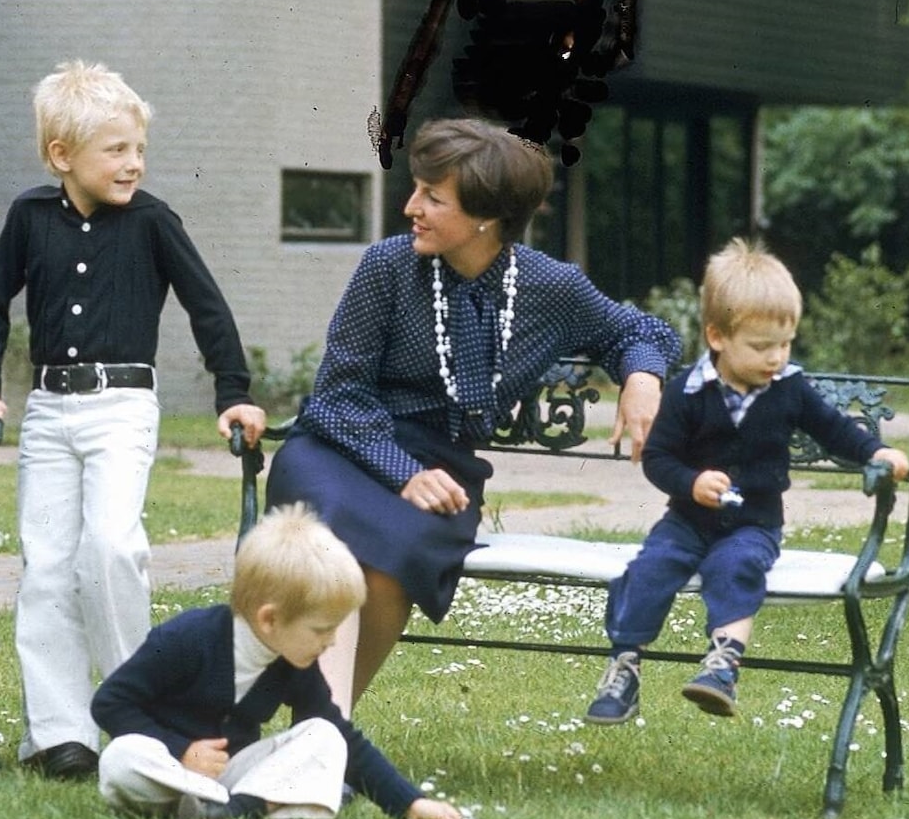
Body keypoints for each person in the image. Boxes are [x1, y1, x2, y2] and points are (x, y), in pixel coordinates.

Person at [265, 118, 679, 707]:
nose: (412, 207)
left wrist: (641, 374)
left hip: (443, 467)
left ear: (487, 216)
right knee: (334, 551)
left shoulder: (548, 286)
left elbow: (641, 330)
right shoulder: (386, 267)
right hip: (341, 449)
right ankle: (321, 742)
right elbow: (337, 395)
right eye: (416, 189)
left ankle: (323, 730)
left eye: (433, 197)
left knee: (392, 565)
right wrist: (402, 473)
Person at [0, 62, 267, 779]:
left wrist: (235, 391)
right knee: (45, 570)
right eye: (116, 149)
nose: (133, 163)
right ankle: (60, 734)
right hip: (48, 412)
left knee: (111, 549)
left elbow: (208, 307)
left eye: (138, 148)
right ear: (62, 155)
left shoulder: (155, 221)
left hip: (122, 408)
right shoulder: (29, 217)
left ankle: (137, 713)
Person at [585, 237, 909, 726]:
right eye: (761, 346)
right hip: (687, 521)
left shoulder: (790, 389)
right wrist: (690, 482)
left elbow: (835, 428)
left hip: (752, 524)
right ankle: (624, 666)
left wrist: (876, 450)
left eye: (785, 344)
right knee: (651, 568)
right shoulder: (685, 394)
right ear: (717, 337)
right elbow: (658, 458)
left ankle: (722, 665)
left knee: (736, 566)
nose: (776, 357)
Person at [90, 506, 464, 819]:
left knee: (324, 736)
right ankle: (251, 805)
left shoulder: (294, 660)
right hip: (167, 770)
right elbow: (109, 702)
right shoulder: (187, 637)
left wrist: (410, 803)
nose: (331, 641)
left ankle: (237, 810)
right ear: (269, 619)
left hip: (233, 777)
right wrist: (181, 751)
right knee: (121, 758)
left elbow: (339, 733)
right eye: (322, 629)